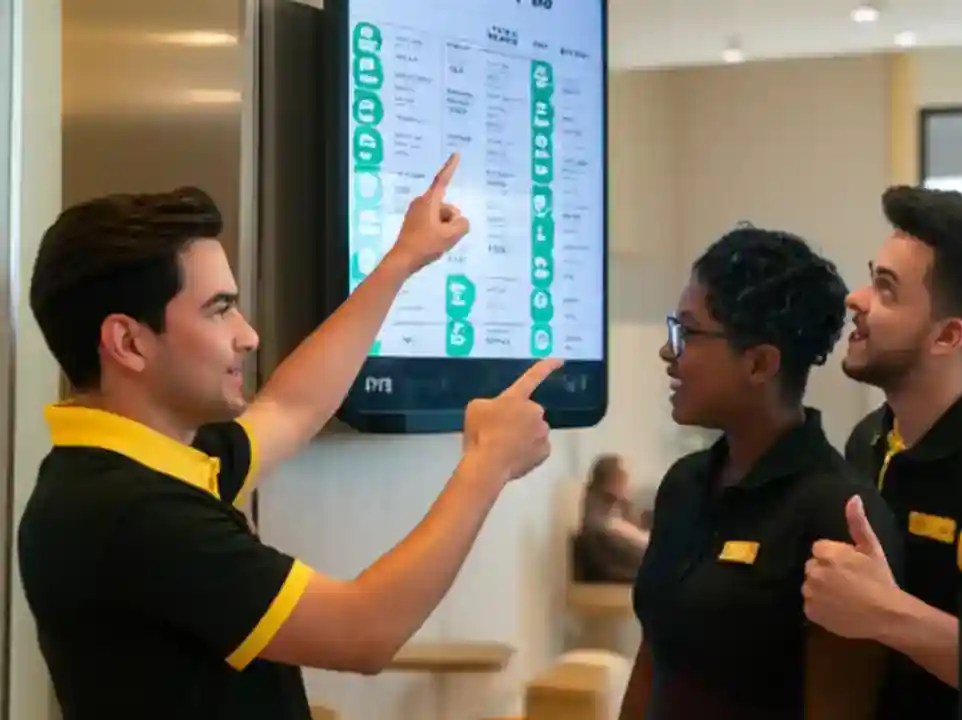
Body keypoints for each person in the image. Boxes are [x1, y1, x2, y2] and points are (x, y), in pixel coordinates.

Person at [17, 154, 562, 718]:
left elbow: (291, 407)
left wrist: (403, 260)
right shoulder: (131, 512)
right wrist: (488, 464)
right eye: (219, 310)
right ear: (129, 343)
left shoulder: (135, 467)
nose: (248, 336)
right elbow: (363, 631)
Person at [619, 225, 902, 720]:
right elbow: (654, 657)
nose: (668, 351)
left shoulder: (837, 515)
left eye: (688, 333)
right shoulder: (685, 483)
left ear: (759, 364)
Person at [802, 186, 962, 719]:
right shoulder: (866, 440)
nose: (856, 300)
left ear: (947, 337)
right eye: (870, 278)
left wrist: (887, 612)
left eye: (886, 289)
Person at [574, 453, 650, 583]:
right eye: (624, 478)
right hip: (614, 570)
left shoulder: (617, 506)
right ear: (612, 481)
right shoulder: (598, 518)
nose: (628, 484)